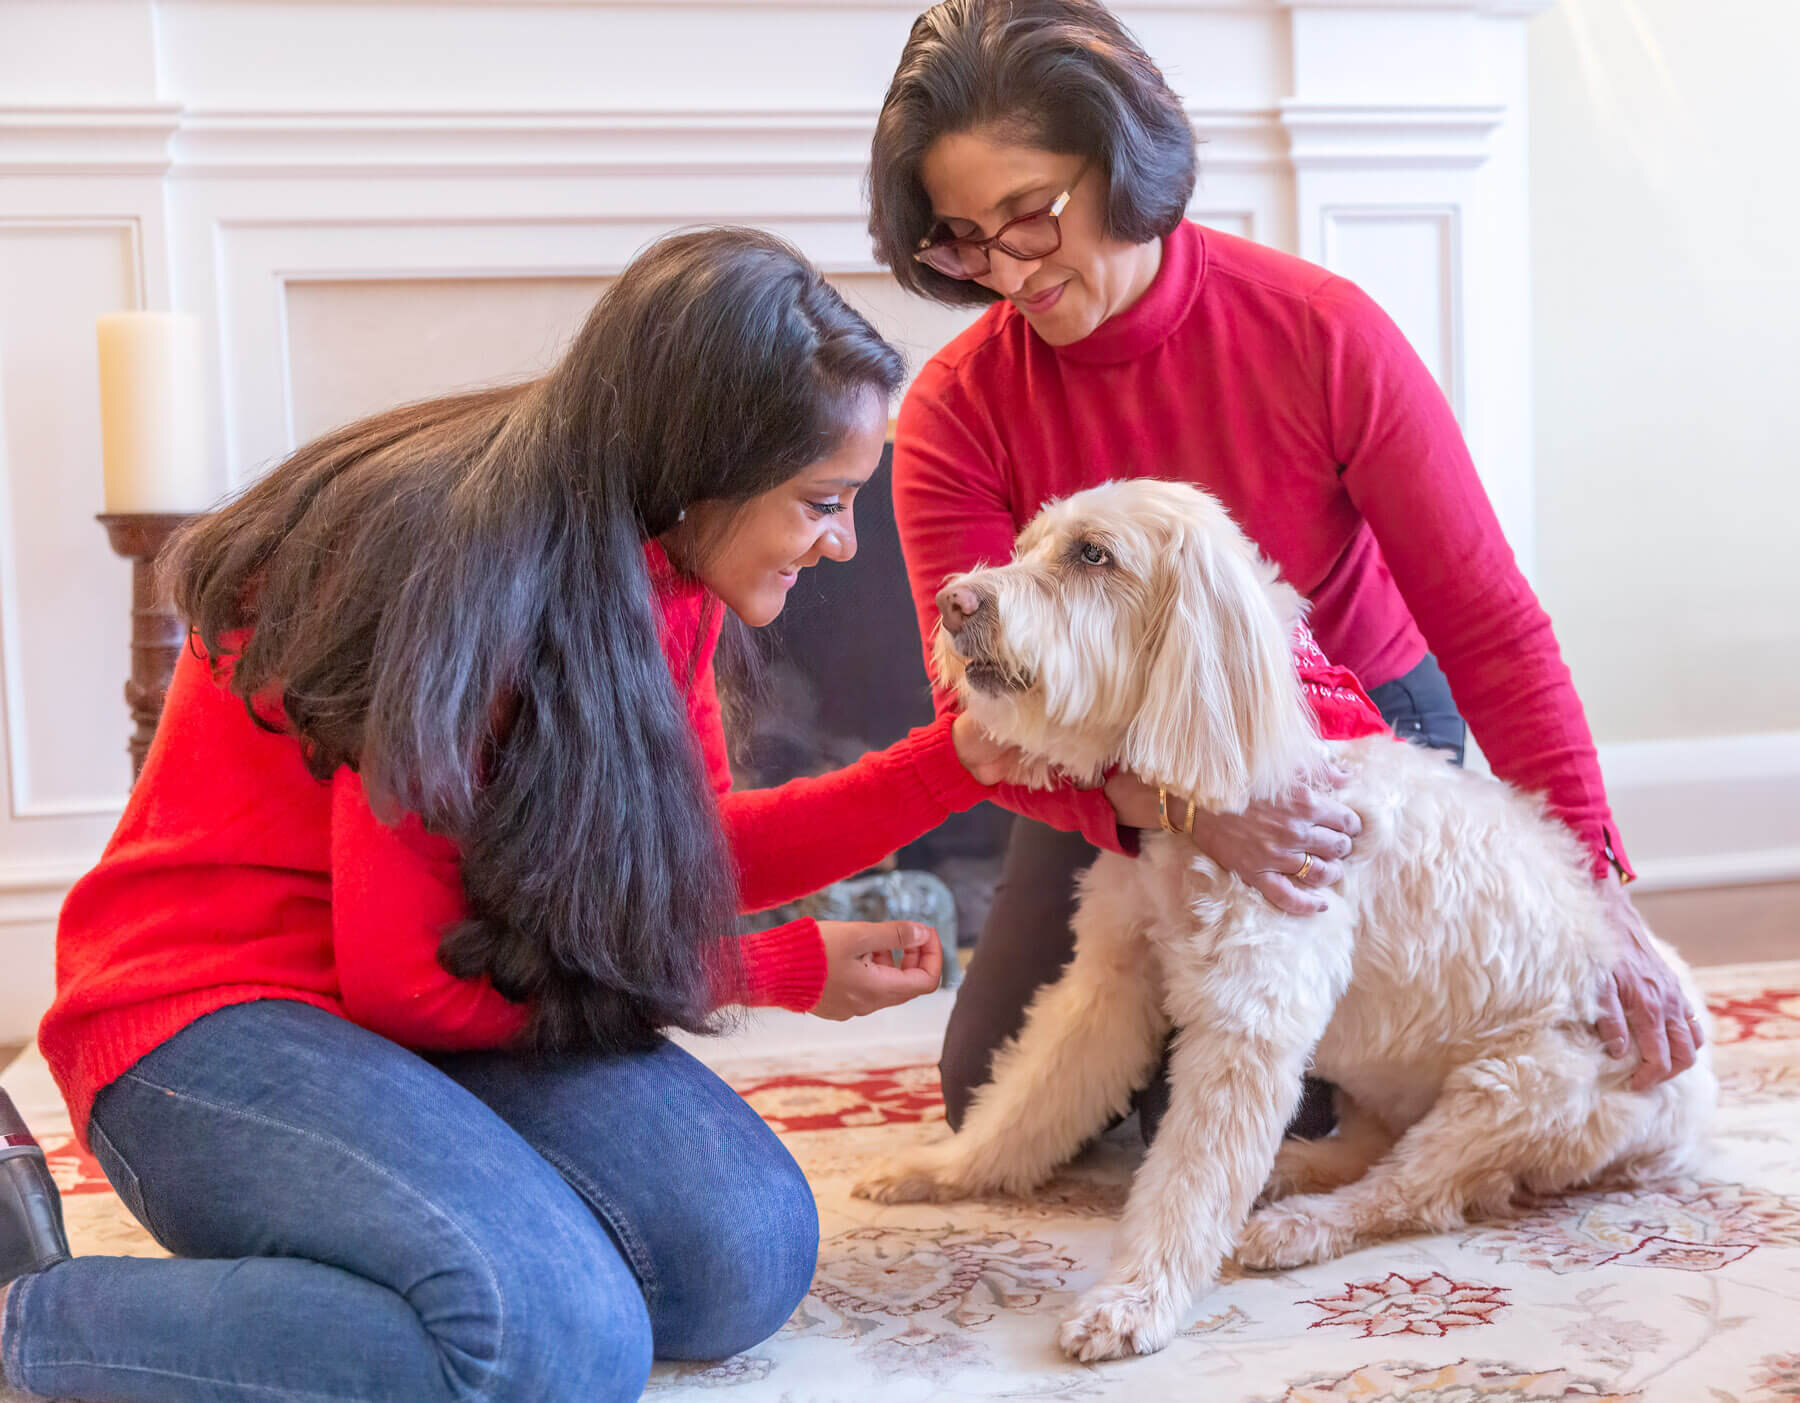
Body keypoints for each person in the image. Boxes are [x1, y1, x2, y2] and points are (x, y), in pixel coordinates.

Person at [0, 227, 1017, 1403]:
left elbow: (684, 858)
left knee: (743, 1259)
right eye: (823, 502)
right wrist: (766, 968)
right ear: (706, 465)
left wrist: (959, 764)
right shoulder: (452, 578)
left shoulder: (665, 562)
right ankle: (30, 1316)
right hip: (210, 1021)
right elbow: (411, 983)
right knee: (553, 1344)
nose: (843, 540)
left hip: (420, 1006)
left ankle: (372, 1247)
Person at [867, 0, 1704, 1141]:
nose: (1004, 269)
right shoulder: (960, 410)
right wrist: (1186, 810)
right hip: (1110, 755)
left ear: (1128, 161)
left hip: (1344, 738)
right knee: (991, 1096)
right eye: (961, 238)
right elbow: (971, 713)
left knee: (1281, 1075)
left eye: (1029, 216)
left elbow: (1491, 627)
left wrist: (1595, 892)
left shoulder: (1322, 331)